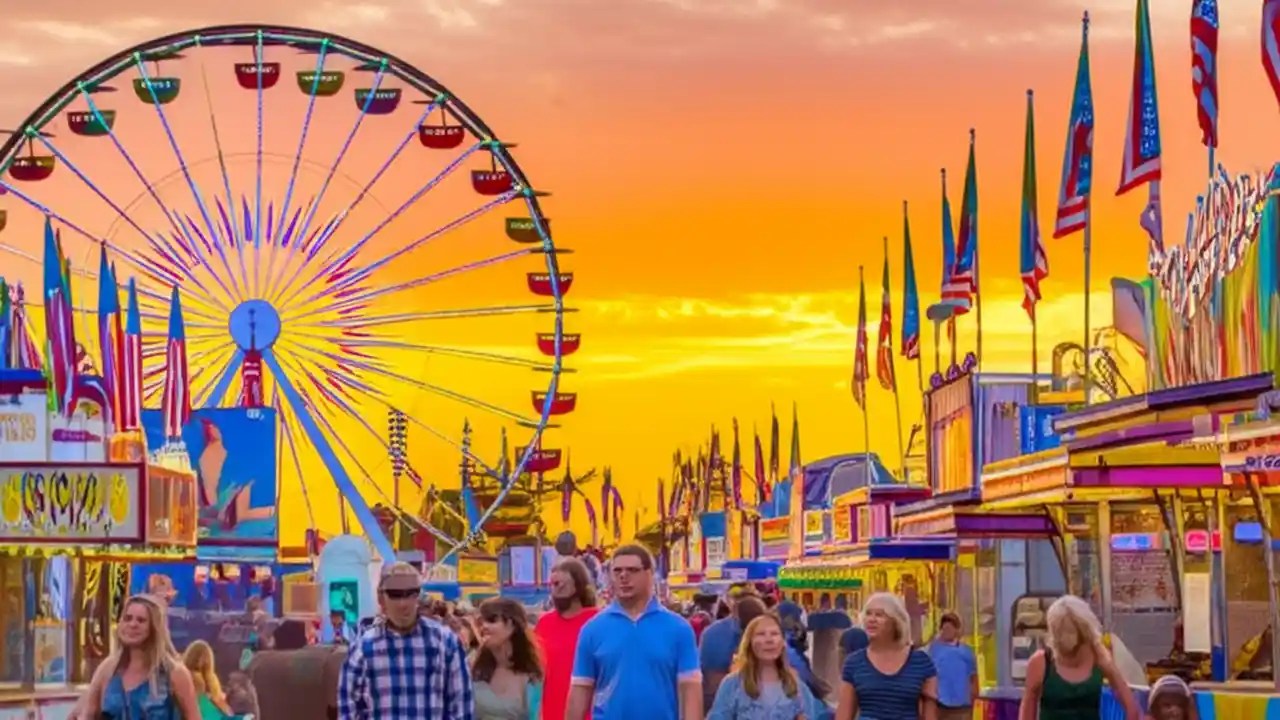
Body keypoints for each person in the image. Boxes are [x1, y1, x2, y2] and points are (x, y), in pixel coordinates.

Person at [567, 544, 701, 720]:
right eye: (617, 571)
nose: (624, 577)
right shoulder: (592, 629)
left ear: (649, 574)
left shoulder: (678, 629)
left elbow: (690, 689)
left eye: (632, 570)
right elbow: (580, 690)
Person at [338, 562, 474, 720]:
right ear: (381, 598)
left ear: (419, 596)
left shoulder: (446, 643)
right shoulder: (362, 650)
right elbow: (348, 710)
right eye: (395, 594)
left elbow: (461, 708)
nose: (404, 603)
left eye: (411, 593)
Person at [71, 594, 201, 720]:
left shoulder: (174, 673)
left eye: (141, 620)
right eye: (127, 618)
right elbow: (86, 713)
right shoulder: (108, 669)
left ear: (154, 627)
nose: (133, 624)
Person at [1017, 595, 1139, 720]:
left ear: (1084, 633)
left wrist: (1110, 668)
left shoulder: (1099, 657)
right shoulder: (1040, 662)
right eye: (1060, 633)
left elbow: (1131, 707)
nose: (1066, 639)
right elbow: (1026, 712)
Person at [835, 592, 938, 720]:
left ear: (896, 622)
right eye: (868, 613)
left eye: (879, 615)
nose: (872, 619)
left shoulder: (920, 662)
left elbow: (930, 714)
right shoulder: (854, 663)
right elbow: (844, 715)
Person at [707, 613, 822, 720]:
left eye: (774, 634)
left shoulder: (797, 687)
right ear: (749, 643)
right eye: (761, 634)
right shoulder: (732, 685)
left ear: (783, 643)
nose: (769, 640)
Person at [534, 557, 599, 720]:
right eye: (553, 584)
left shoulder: (597, 621)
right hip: (551, 711)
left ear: (578, 586)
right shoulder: (545, 623)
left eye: (561, 584)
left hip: (591, 711)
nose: (556, 589)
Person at [472, 597, 543, 719]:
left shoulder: (531, 677)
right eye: (481, 622)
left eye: (491, 620)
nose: (484, 627)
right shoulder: (471, 666)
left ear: (511, 625)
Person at [926, 612, 978, 720]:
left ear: (957, 630)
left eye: (950, 628)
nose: (947, 631)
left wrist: (974, 698)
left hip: (963, 708)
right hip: (941, 706)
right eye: (945, 628)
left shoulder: (967, 652)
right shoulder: (933, 650)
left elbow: (974, 678)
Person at [182, 639, 237, 719]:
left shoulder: (211, 680)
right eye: (198, 658)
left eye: (204, 659)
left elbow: (219, 702)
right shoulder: (185, 676)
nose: (201, 662)